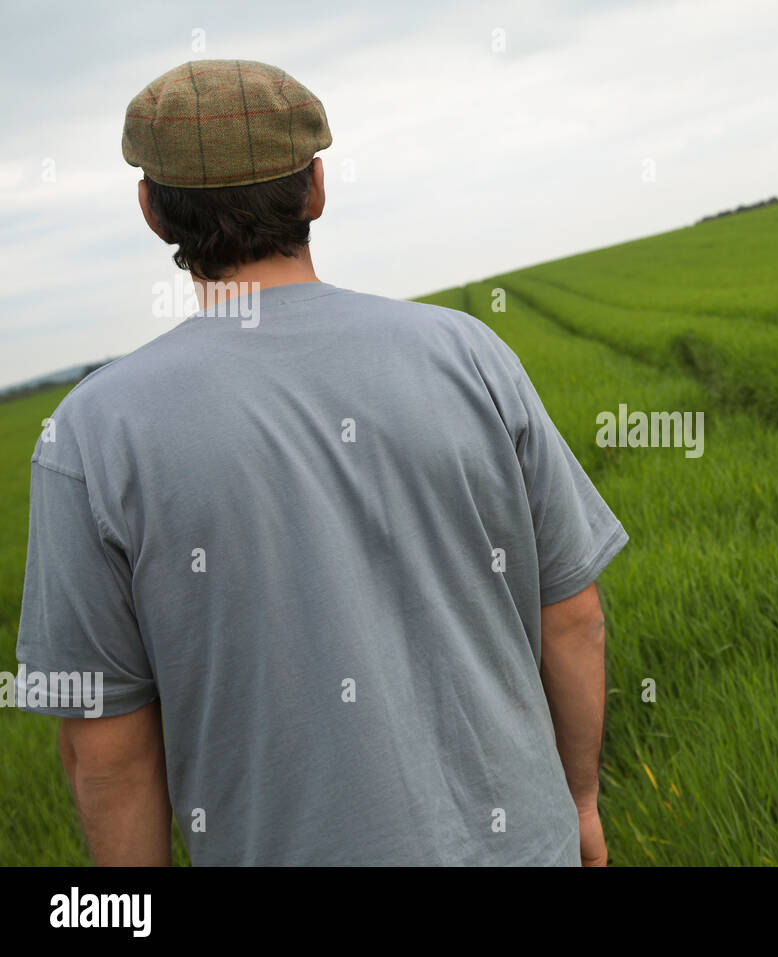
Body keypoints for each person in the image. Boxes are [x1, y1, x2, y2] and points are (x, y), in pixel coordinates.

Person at [15, 59, 626, 866]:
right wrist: (579, 803)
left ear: (153, 213)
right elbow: (573, 615)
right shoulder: (466, 353)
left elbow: (105, 745)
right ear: (316, 188)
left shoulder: (91, 435)